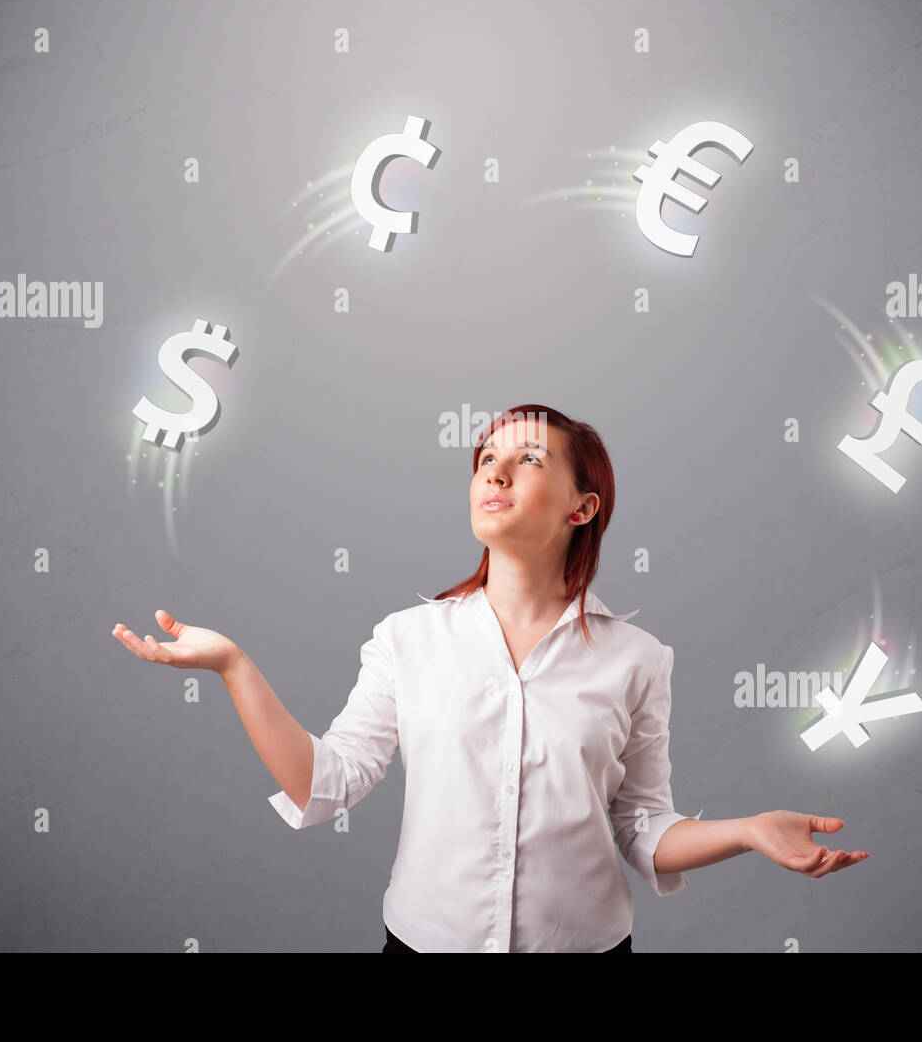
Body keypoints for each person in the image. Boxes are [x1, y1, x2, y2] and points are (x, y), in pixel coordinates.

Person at [112, 405, 868, 952]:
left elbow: (641, 829)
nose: (496, 472)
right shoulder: (406, 639)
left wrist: (746, 832)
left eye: (530, 459)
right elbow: (325, 783)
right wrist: (233, 667)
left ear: (584, 506)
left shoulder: (639, 659)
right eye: (485, 460)